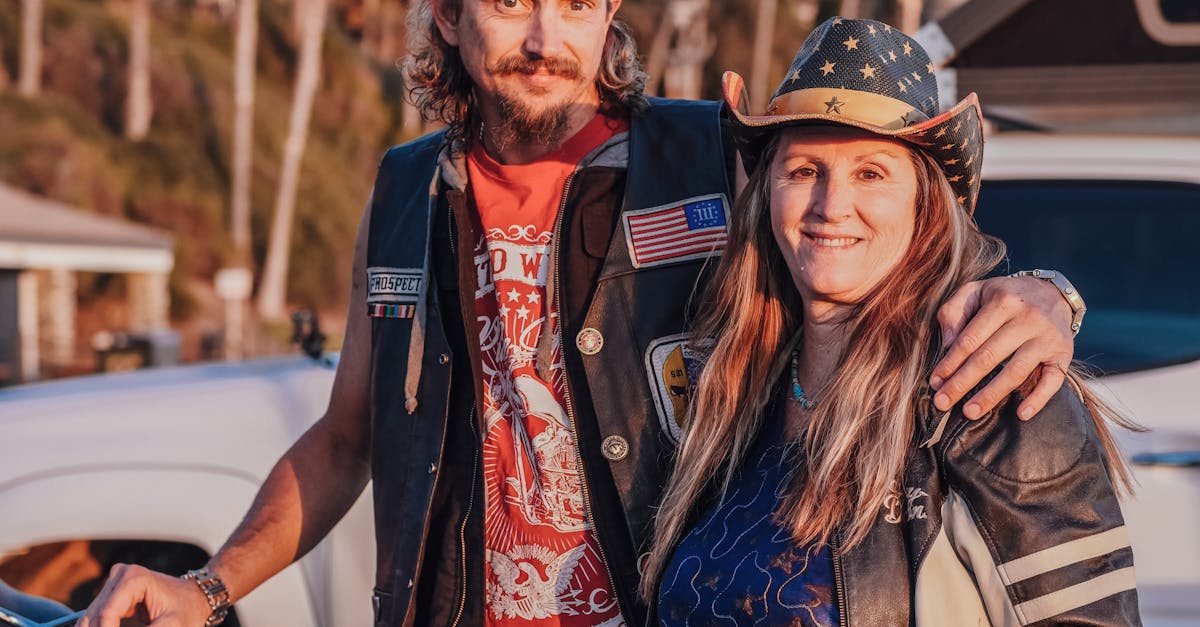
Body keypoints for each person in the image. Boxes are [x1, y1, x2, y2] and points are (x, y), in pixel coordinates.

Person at [81, 4, 1083, 627]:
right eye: (512, 2)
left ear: (609, 19)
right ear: (444, 16)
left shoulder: (701, 156)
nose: (543, 38)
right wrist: (209, 589)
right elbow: (348, 437)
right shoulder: (402, 193)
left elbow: (884, 227)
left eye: (574, 4)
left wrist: (1042, 293)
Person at [643, 17, 1140, 626]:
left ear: (924, 201)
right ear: (767, 192)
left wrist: (1053, 293)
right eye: (804, 170)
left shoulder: (991, 398)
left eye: (871, 173)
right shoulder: (734, 389)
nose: (830, 206)